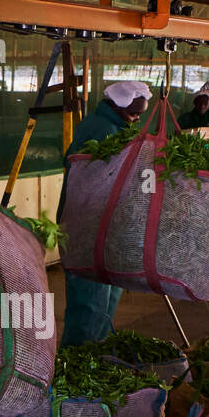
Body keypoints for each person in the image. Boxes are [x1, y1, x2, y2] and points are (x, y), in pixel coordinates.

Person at [57, 79, 150, 346]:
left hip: (105, 227)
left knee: (105, 302)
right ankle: (75, 364)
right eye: (133, 113)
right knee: (89, 305)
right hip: (87, 227)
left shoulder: (115, 126)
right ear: (117, 105)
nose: (135, 120)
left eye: (139, 115)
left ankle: (96, 358)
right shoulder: (102, 130)